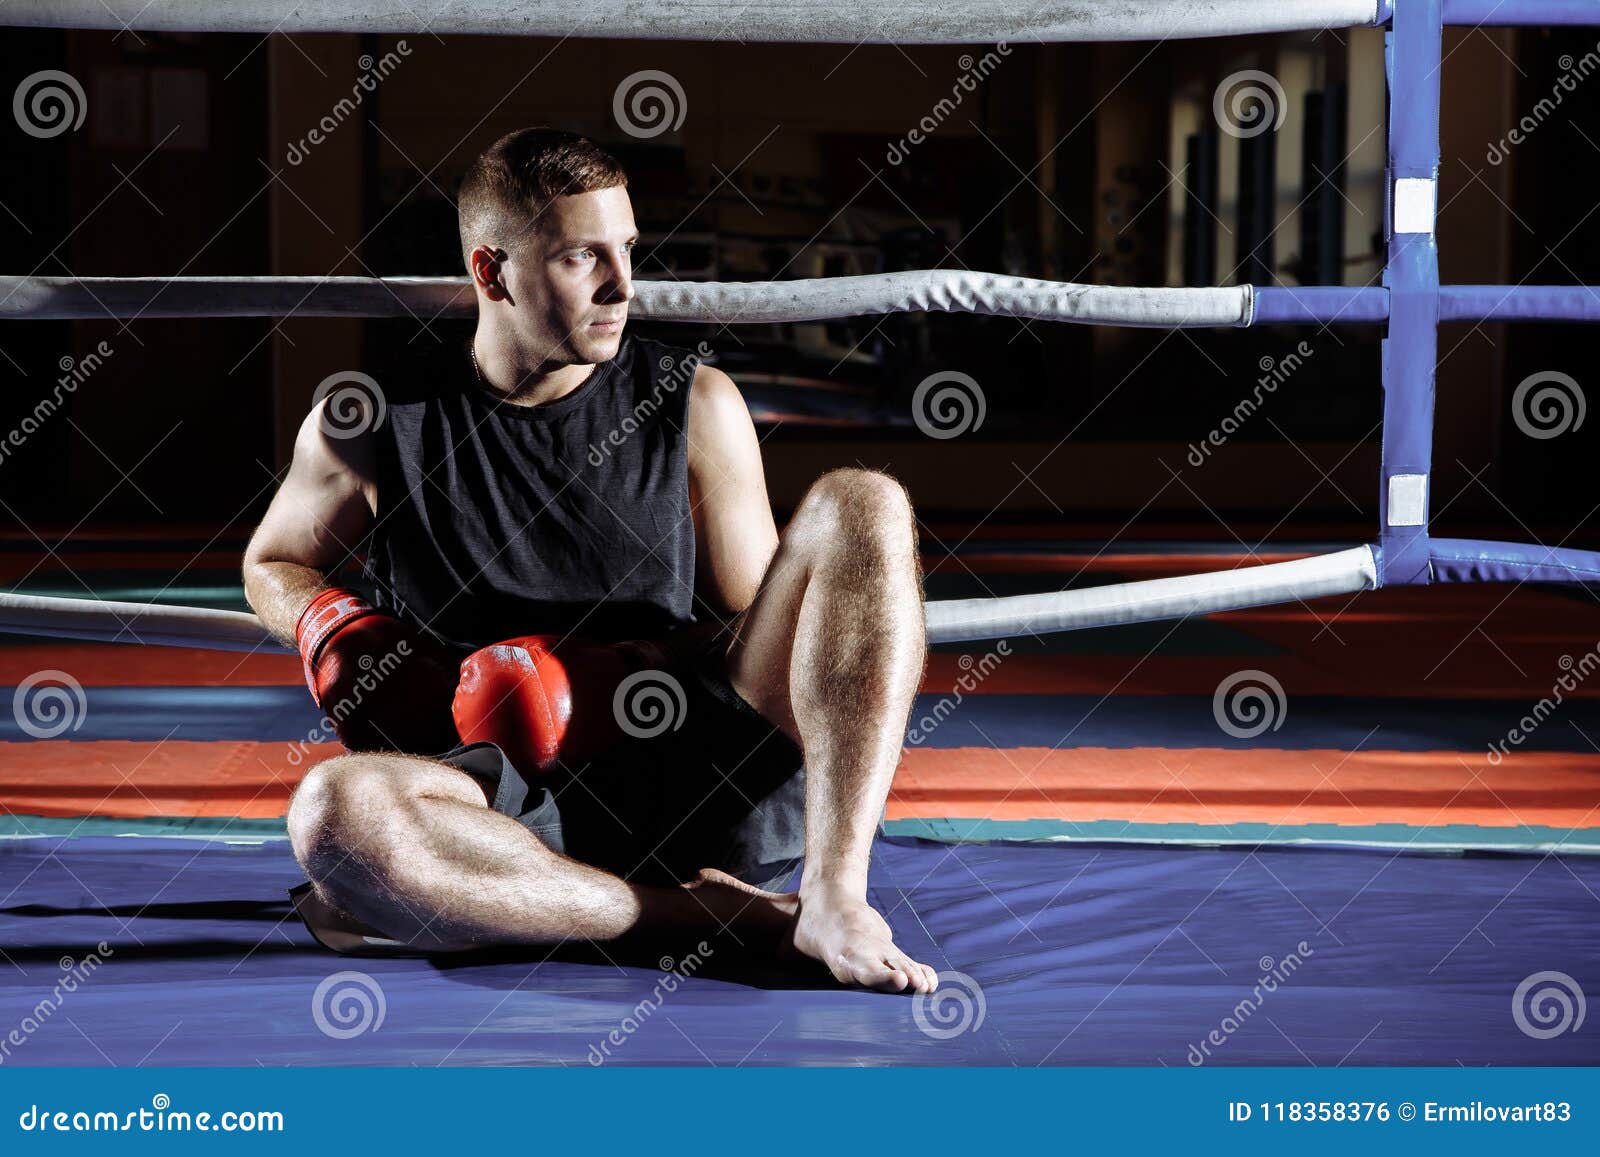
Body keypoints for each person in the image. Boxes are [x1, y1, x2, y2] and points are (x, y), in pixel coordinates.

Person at [243, 127, 935, 994]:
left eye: (628, 250)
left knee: (865, 501)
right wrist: (333, 622)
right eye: (582, 257)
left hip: (695, 764)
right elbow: (273, 560)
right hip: (506, 808)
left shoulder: (694, 401)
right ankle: (707, 916)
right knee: (333, 813)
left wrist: (620, 672)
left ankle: (835, 894)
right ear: (492, 272)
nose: (623, 285)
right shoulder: (376, 422)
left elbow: (768, 628)